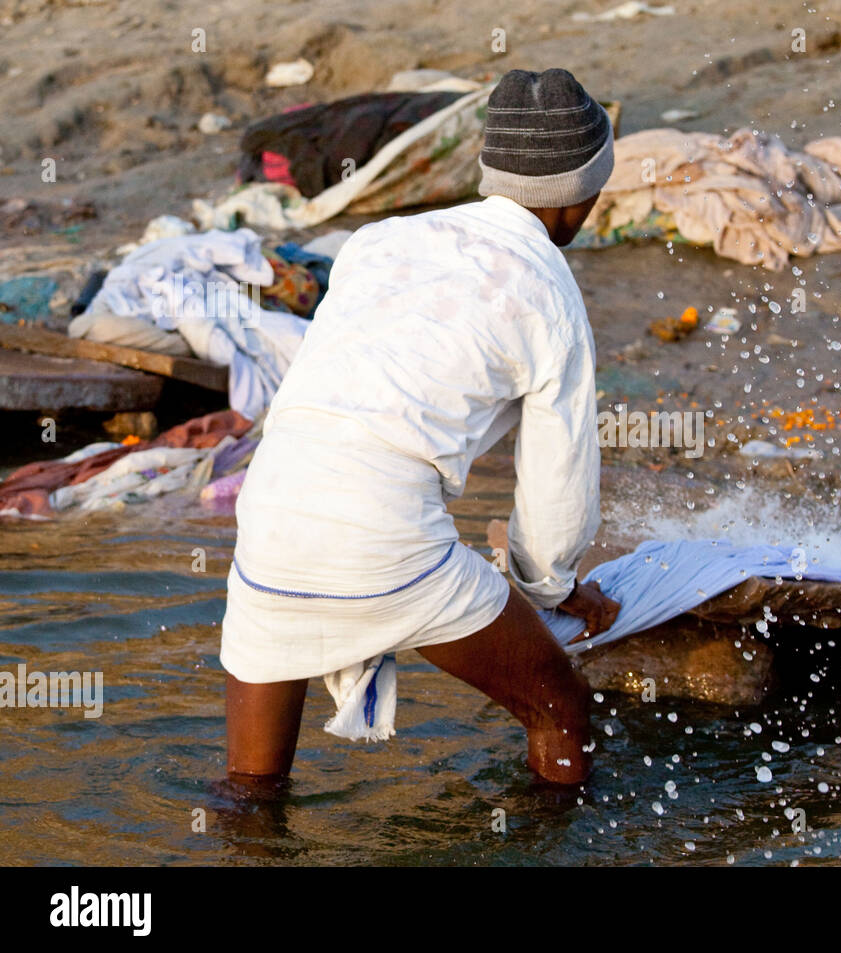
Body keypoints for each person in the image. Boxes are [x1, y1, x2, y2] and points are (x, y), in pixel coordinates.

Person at [221, 68, 621, 788]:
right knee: (559, 710)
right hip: (382, 541)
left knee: (250, 791)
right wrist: (556, 589)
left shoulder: (379, 241)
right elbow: (557, 490)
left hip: (267, 521)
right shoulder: (548, 288)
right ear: (586, 190)